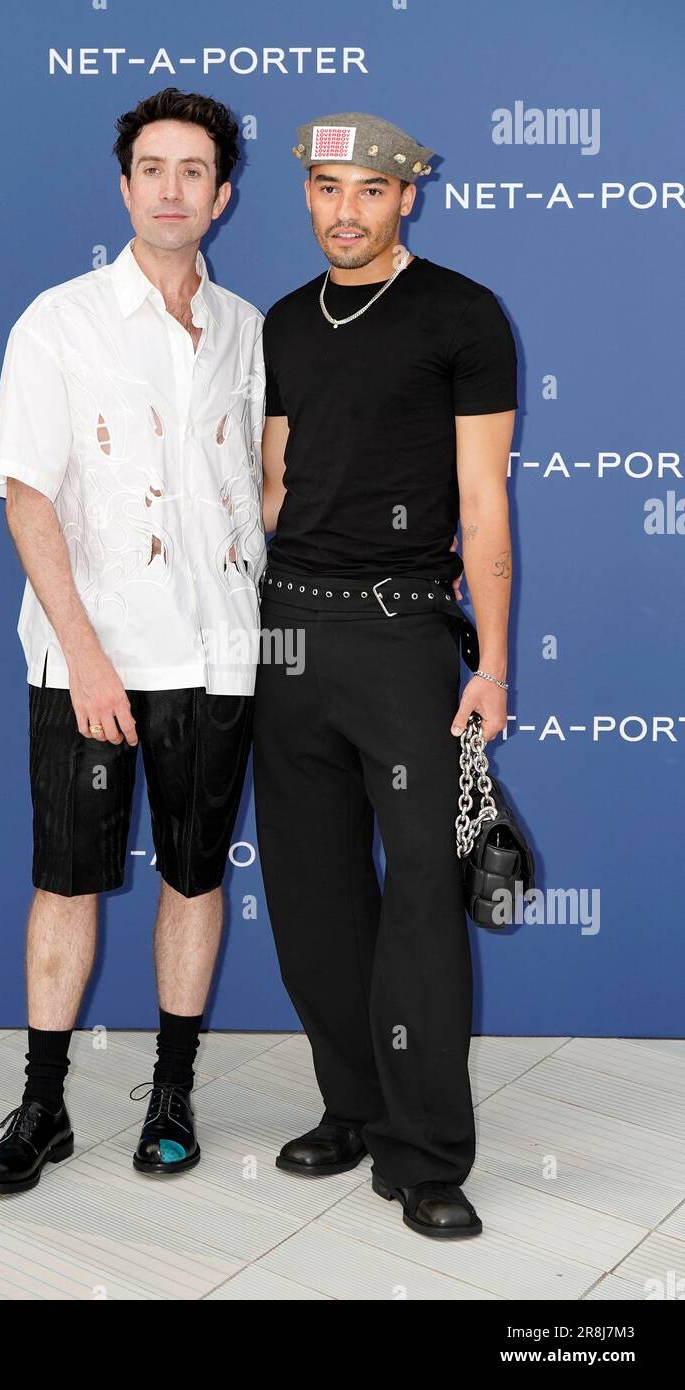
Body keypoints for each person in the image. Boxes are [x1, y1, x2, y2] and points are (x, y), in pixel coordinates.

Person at [0, 87, 266, 1195]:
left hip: (221, 653)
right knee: (68, 880)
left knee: (195, 879)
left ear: (223, 194)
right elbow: (29, 500)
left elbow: (259, 488)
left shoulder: (247, 332)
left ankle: (173, 1093)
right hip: (86, 659)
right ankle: (41, 1107)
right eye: (152, 167)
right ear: (125, 185)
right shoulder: (58, 321)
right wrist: (86, 654)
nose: (172, 188)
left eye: (195, 170)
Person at [253, 111, 518, 1238]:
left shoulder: (461, 315)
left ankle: (425, 1154)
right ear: (305, 194)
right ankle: (353, 1105)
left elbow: (484, 503)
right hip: (284, 637)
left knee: (419, 897)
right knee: (314, 894)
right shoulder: (280, 321)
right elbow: (270, 490)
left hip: (405, 634)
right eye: (326, 189)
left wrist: (493, 663)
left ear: (408, 195)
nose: (344, 212)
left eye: (369, 190)